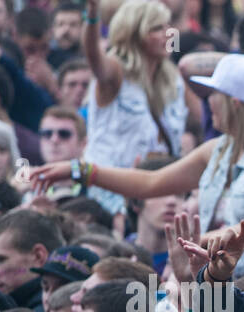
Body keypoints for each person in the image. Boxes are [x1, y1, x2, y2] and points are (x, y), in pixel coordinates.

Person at [35, 54, 244, 273]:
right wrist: (79, 171)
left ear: (234, 103)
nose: (207, 102)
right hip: (221, 283)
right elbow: (150, 182)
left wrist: (197, 242)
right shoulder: (218, 149)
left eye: (213, 94)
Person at [79, 0, 190, 223]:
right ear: (134, 33)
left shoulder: (174, 78)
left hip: (153, 192)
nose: (169, 34)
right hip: (108, 195)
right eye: (157, 28)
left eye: (169, 26)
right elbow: (93, 57)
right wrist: (92, 16)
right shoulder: (116, 71)